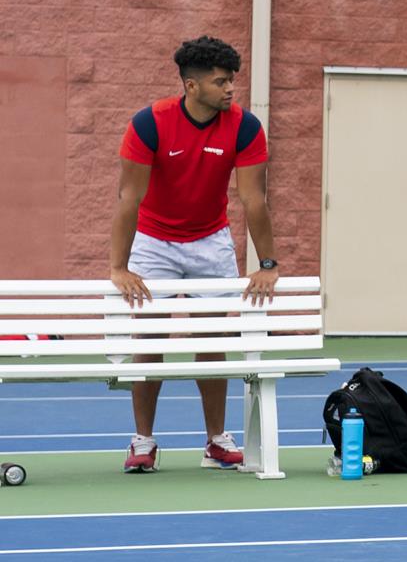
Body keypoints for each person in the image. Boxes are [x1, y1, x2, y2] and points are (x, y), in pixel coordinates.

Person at [110, 35, 281, 472]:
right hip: (154, 240)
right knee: (149, 342)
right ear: (191, 85)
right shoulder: (149, 124)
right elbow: (128, 199)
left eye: (231, 82)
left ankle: (216, 441)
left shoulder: (244, 127)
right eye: (221, 82)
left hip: (210, 240)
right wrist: (119, 267)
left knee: (213, 342)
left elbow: (253, 200)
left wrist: (266, 265)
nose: (230, 90)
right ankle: (143, 442)